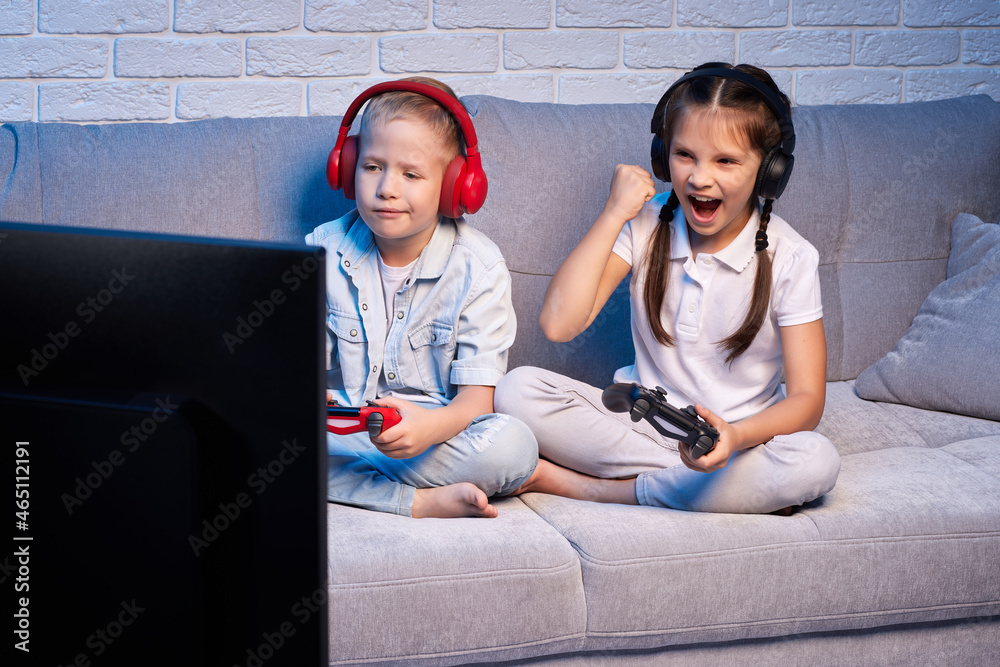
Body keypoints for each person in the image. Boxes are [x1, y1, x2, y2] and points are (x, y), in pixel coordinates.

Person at [495, 63, 840, 514]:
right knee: (517, 390)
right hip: (643, 427)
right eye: (684, 155)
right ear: (662, 155)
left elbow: (807, 401)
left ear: (770, 171)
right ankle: (707, 490)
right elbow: (559, 324)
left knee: (815, 462)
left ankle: (611, 489)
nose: (699, 178)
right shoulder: (647, 222)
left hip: (737, 440)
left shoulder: (791, 258)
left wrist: (735, 437)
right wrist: (614, 212)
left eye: (726, 161)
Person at [308, 77, 537, 519]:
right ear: (347, 165)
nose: (386, 188)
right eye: (372, 166)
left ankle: (348, 480)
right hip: (346, 427)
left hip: (436, 433)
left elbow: (476, 402)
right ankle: (416, 501)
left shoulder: (480, 266)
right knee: (256, 439)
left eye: (411, 174)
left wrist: (430, 428)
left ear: (456, 187)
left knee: (513, 447)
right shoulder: (323, 249)